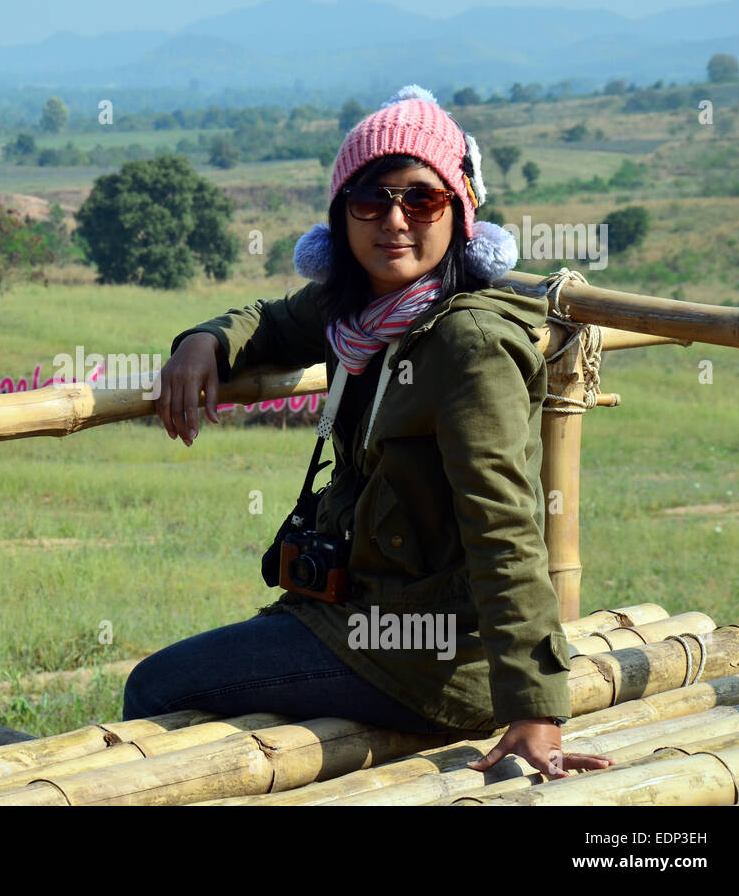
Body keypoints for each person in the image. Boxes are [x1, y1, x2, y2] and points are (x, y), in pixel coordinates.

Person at [126, 85, 615, 779]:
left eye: (422, 199)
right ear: (340, 217)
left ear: (460, 211)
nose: (394, 219)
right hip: (360, 621)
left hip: (428, 658)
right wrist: (203, 341)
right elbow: (270, 321)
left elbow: (504, 524)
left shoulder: (467, 342)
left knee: (155, 685)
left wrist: (535, 708)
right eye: (370, 198)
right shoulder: (359, 307)